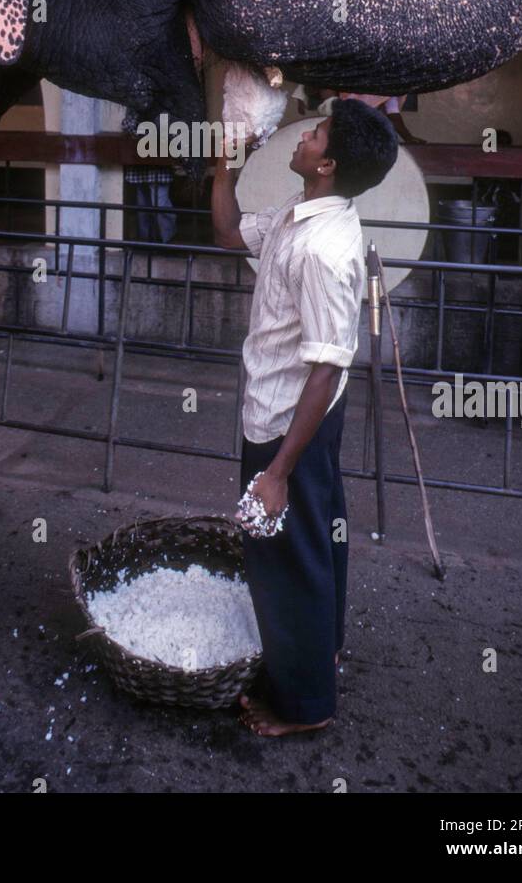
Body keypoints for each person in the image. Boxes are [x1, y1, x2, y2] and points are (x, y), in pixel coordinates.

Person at [211, 99, 399, 736]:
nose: (303, 135)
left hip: (289, 421)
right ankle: (324, 651)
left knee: (283, 557)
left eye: (315, 132)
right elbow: (229, 234)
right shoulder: (303, 213)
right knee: (319, 538)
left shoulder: (322, 248)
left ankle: (304, 707)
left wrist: (278, 473)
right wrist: (221, 169)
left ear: (327, 163)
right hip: (296, 413)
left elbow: (323, 368)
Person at [294, 84, 426, 145]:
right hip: (340, 129)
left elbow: (394, 117)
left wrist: (408, 138)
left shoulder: (387, 90)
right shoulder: (336, 90)